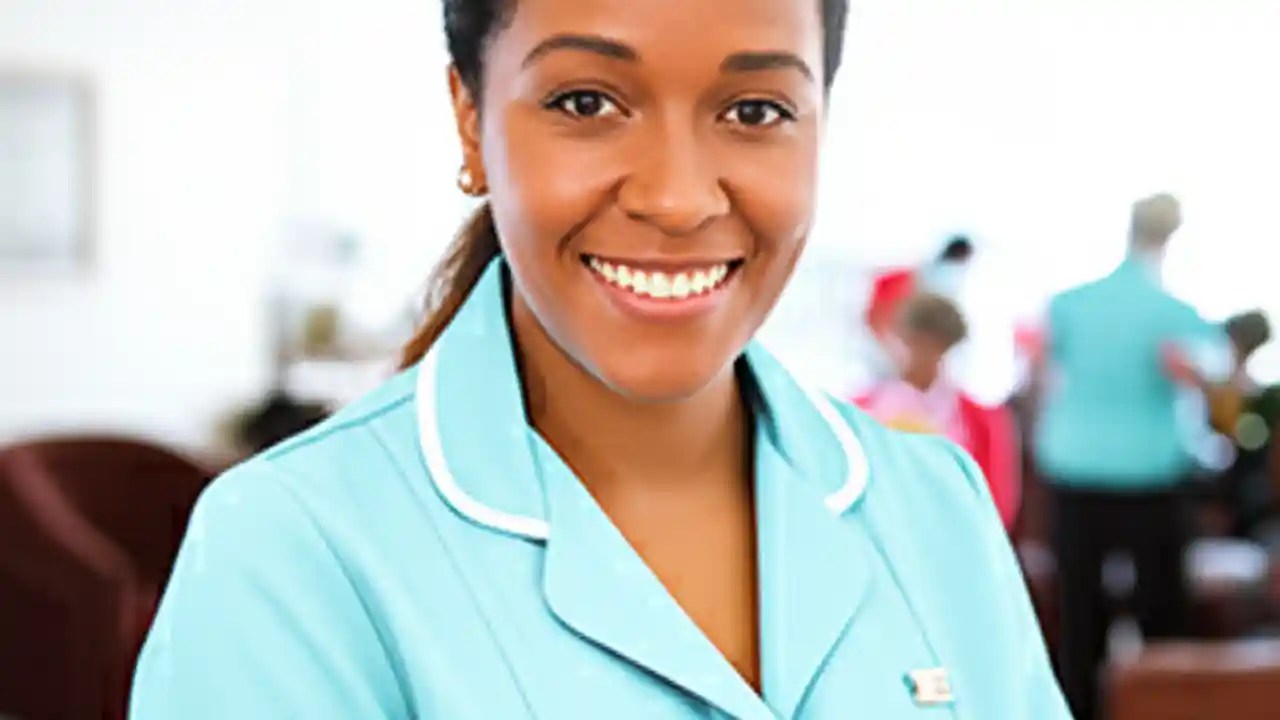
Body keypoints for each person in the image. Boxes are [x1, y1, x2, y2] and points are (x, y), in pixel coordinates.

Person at [129, 1, 1068, 717]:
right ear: (471, 123)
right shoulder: (293, 546)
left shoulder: (934, 505)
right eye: (587, 101)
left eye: (755, 109)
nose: (677, 198)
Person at [1034, 192, 1229, 720]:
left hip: (1074, 471)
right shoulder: (1177, 314)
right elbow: (1211, 379)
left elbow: (1042, 374)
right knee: (1161, 616)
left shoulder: (1069, 305)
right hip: (1150, 478)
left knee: (1078, 620)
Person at [856, 293, 1021, 532]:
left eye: (933, 345)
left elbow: (996, 501)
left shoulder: (980, 419)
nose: (921, 354)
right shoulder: (863, 408)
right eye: (914, 342)